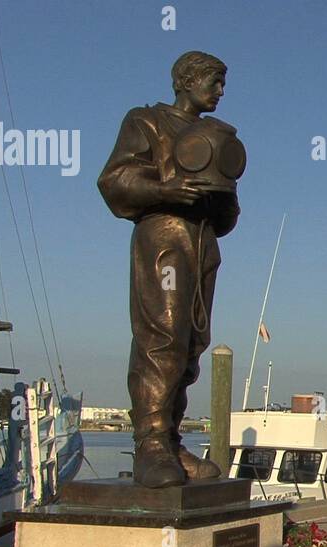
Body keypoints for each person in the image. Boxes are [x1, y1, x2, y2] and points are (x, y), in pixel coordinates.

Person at [98, 51, 241, 488]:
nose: (220, 91)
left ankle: (172, 439)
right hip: (164, 237)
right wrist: (165, 189)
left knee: (194, 339)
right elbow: (115, 179)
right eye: (213, 82)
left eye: (222, 84)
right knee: (164, 333)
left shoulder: (216, 137)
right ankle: (152, 444)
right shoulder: (147, 122)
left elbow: (229, 213)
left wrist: (219, 201)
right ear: (186, 80)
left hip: (202, 241)